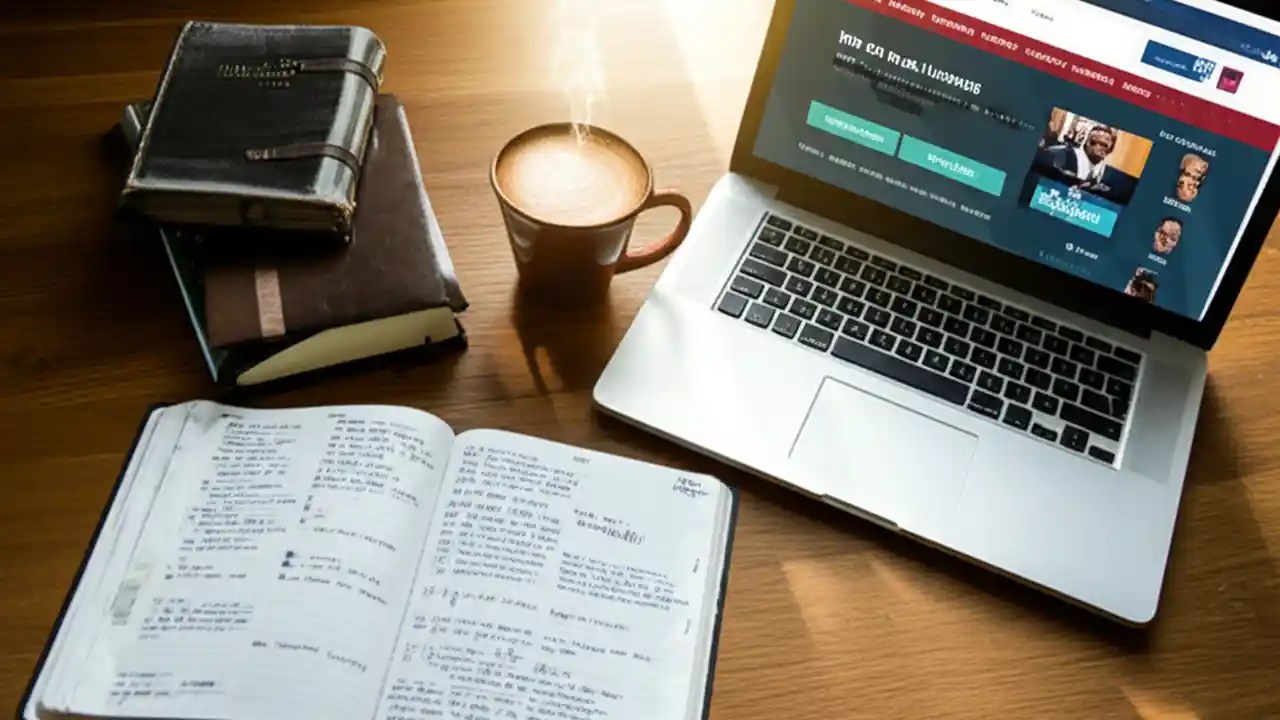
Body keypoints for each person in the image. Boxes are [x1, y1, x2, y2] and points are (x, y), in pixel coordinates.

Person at [1032, 124, 1136, 203]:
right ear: (1086, 142)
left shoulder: (1110, 178)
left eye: (1105, 145)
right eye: (1094, 142)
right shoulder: (1061, 155)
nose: (1098, 148)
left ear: (1110, 149)